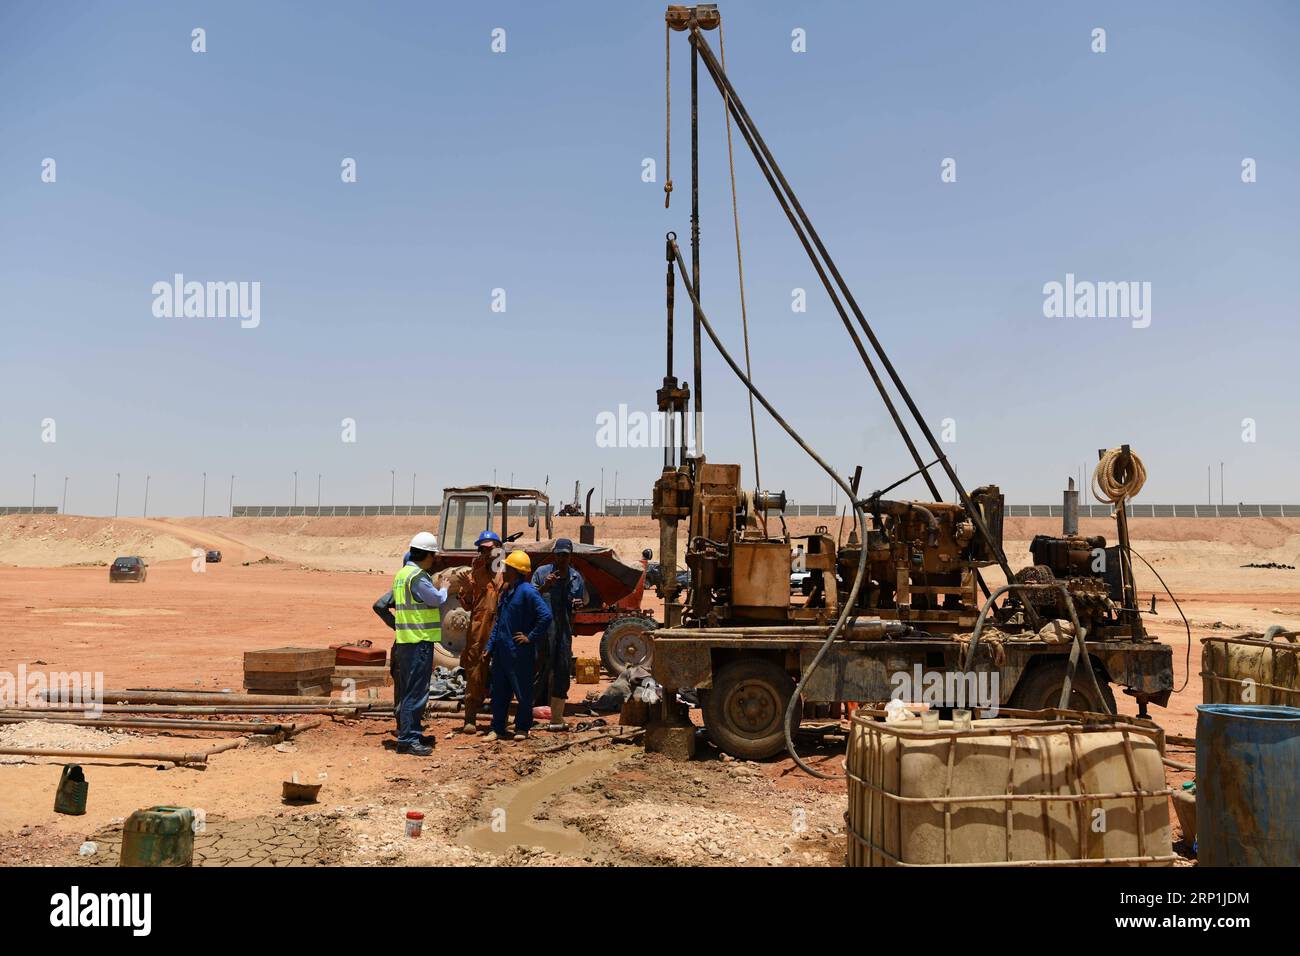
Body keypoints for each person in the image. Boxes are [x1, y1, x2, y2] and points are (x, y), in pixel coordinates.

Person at [390, 532, 448, 756]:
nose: (434, 560)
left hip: (406, 641)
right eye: (433, 555)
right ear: (426, 554)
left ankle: (411, 732)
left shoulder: (402, 574)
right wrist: (443, 587)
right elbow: (435, 600)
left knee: (408, 690)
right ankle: (408, 739)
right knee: (416, 691)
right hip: (419, 641)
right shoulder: (418, 577)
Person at [486, 550, 551, 741]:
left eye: (507, 568)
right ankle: (497, 728)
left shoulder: (527, 592)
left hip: (519, 652)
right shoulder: (507, 591)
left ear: (516, 571)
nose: (503, 571)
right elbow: (499, 621)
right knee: (499, 692)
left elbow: (545, 616)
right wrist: (490, 646)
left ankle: (522, 728)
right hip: (501, 652)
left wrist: (530, 637)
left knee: (523, 692)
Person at [532, 538, 585, 732]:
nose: (562, 558)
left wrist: (578, 605)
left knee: (562, 670)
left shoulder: (575, 578)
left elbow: (579, 601)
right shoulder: (541, 573)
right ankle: (525, 716)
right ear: (554, 555)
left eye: (565, 555)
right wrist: (545, 587)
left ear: (570, 556)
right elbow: (530, 597)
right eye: (559, 554)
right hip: (543, 632)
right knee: (537, 670)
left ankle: (556, 718)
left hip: (563, 632)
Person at [457, 530, 503, 734]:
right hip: (479, 633)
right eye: (482, 550)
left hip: (501, 630)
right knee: (475, 673)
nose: (485, 554)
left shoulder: (506, 573)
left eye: (489, 549)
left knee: (503, 673)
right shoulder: (475, 575)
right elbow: (467, 605)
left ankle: (501, 719)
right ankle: (470, 718)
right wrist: (466, 589)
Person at [371, 550, 412, 687]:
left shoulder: (399, 587)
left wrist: (396, 625)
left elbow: (379, 605)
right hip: (417, 644)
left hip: (400, 642)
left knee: (400, 686)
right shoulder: (424, 587)